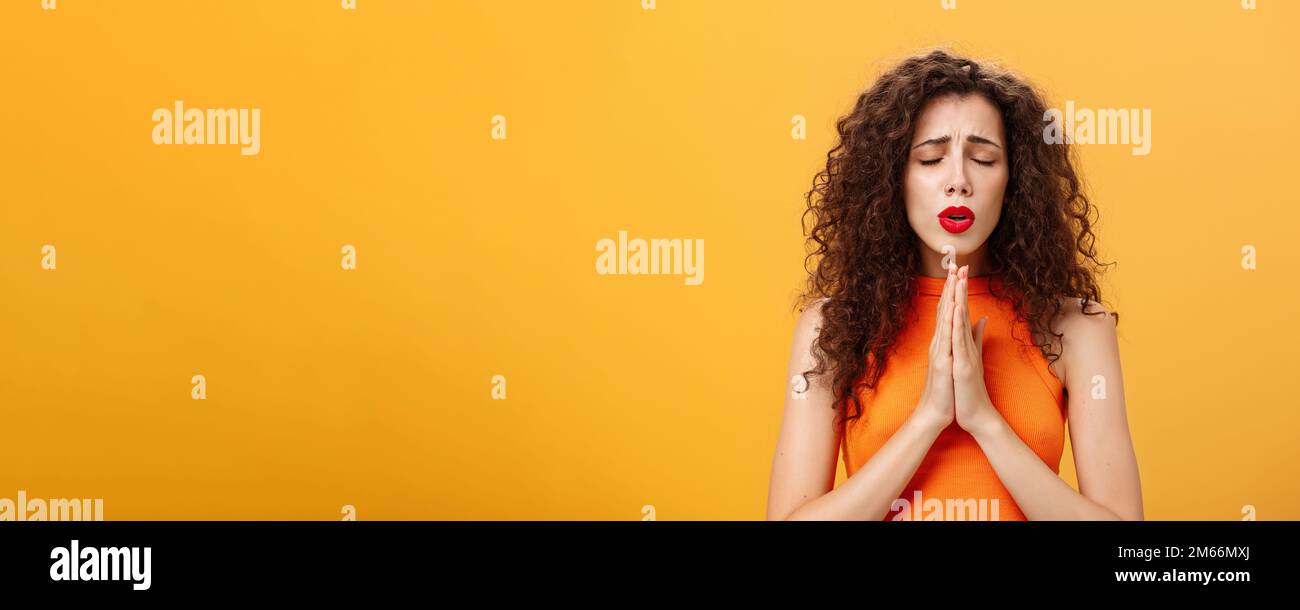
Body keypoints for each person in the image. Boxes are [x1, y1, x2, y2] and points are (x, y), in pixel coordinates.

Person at [767, 49, 1143, 521]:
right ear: (893, 178)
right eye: (930, 159)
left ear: (1015, 182)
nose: (958, 181)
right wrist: (928, 417)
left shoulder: (1077, 327)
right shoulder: (833, 326)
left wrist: (985, 421)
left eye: (984, 159)